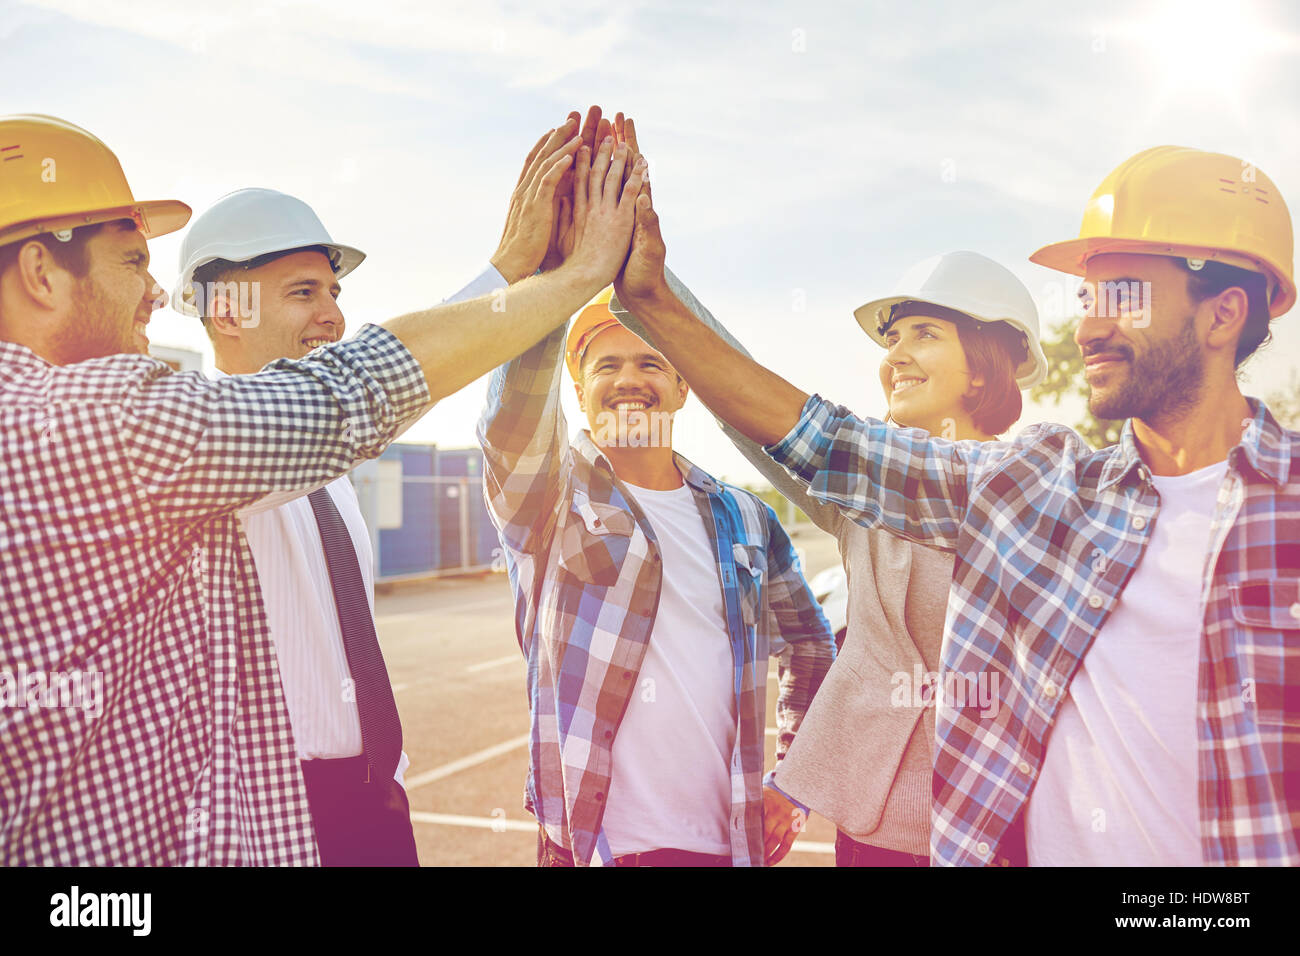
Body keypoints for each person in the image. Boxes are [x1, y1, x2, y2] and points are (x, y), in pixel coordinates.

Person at [613, 145, 1298, 866]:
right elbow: (812, 437)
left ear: (1224, 315)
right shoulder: (1045, 491)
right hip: (901, 832)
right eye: (1088, 299)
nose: (1089, 327)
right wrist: (652, 298)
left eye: (1121, 295)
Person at [0, 111, 644, 864]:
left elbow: (339, 400)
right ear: (42, 273)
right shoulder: (124, 435)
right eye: (132, 262)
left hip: (370, 804)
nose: (151, 290)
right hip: (277, 813)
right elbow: (351, 391)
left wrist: (512, 273)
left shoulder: (295, 473)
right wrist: (566, 277)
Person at [477, 119, 835, 867]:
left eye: (650, 361)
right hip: (596, 847)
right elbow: (510, 421)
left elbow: (811, 647)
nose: (629, 379)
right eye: (605, 365)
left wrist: (793, 780)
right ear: (578, 388)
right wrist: (559, 270)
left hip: (725, 843)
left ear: (680, 385)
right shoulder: (548, 500)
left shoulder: (745, 518)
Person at [617, 251, 1046, 866]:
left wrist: (651, 295)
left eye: (925, 334)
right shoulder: (860, 500)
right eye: (893, 338)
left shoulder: (1031, 489)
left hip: (996, 825)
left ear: (983, 369)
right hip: (878, 837)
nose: (895, 355)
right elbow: (757, 417)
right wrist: (644, 293)